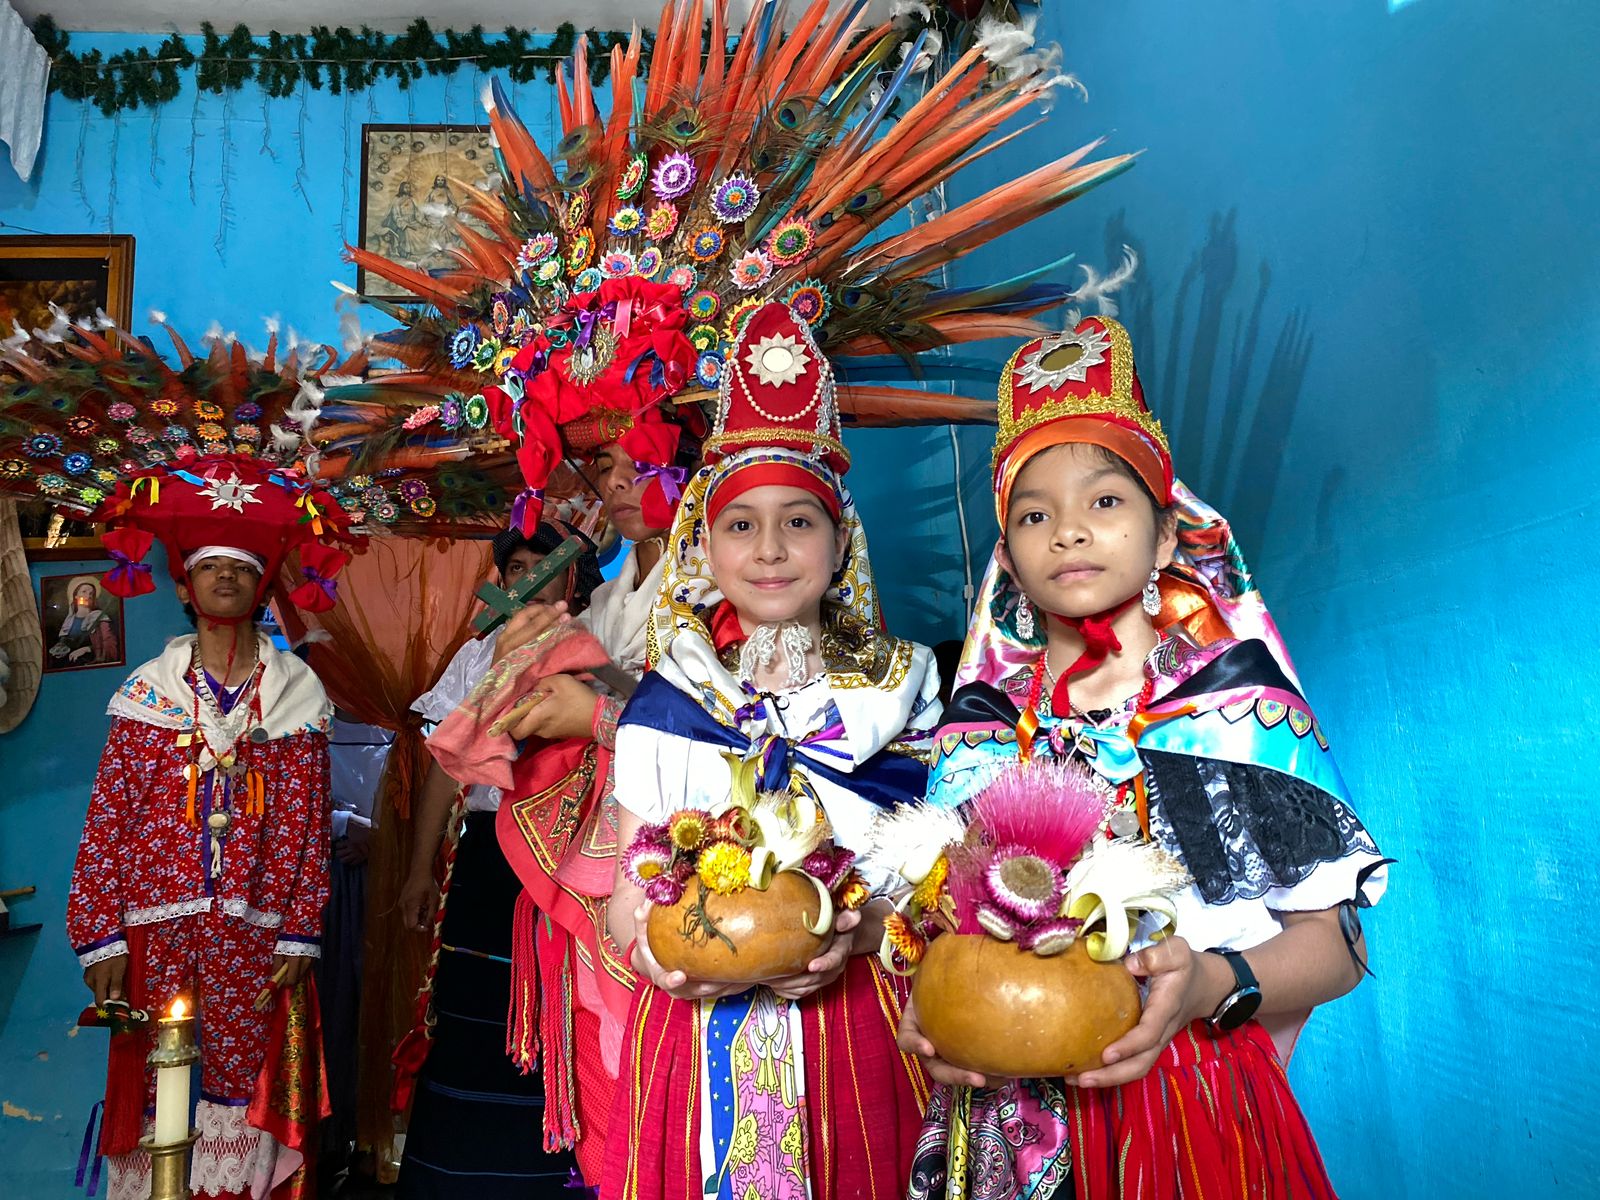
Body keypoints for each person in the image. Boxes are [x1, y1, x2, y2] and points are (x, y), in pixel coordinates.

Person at [896, 316, 1391, 1199]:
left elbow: (1337, 950)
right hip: (1001, 1126)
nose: (1069, 532)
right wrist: (930, 1013)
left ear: (1167, 534)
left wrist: (1210, 982)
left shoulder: (1234, 716)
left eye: (1104, 502)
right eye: (1035, 514)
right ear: (1008, 558)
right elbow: (933, 936)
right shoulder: (979, 735)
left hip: (1191, 1112)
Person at [600, 303, 943, 1200]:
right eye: (741, 525)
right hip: (694, 1033)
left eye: (799, 521)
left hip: (860, 1027)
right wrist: (657, 959)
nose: (771, 550)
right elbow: (625, 899)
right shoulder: (670, 701)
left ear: (841, 541)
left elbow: (940, 889)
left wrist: (865, 929)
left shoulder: (902, 689)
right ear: (704, 548)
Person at [64, 450, 356, 1199]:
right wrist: (98, 934)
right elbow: (108, 817)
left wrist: (299, 928)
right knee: (154, 1092)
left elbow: (307, 824)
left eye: (240, 568)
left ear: (263, 585)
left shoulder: (296, 694)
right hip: (153, 925)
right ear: (184, 586)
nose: (225, 578)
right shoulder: (148, 694)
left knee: (244, 1093)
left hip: (256, 931)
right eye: (209, 567)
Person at [393, 521, 603, 1200]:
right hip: (487, 857)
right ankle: (451, 1179)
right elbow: (443, 772)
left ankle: (549, 1178)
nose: (529, 579)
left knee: (558, 1011)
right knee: (469, 1013)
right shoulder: (477, 656)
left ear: (574, 579)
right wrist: (420, 870)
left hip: (569, 857)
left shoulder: (598, 649)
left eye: (546, 565)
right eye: (516, 568)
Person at [50, 576, 119, 665]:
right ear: (75, 596)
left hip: (90, 663)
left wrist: (87, 649)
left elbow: (109, 644)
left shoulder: (100, 618)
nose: (88, 596)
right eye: (84, 592)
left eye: (91, 593)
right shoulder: (69, 621)